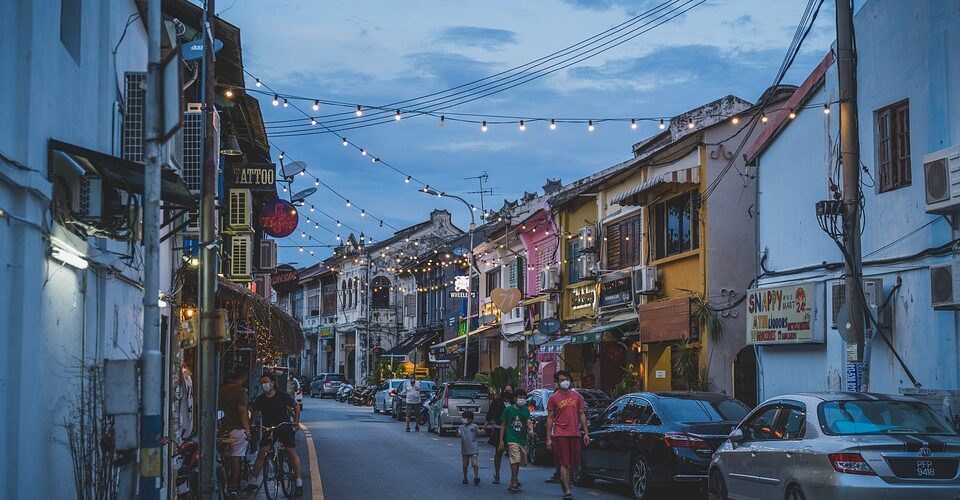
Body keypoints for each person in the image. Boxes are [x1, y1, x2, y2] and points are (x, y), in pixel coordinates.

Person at [245, 372, 304, 497]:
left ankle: (299, 483)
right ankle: (253, 481)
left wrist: (296, 423)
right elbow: (255, 412)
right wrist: (253, 424)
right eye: (262, 383)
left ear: (273, 383)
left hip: (284, 426)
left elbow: (296, 407)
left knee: (290, 452)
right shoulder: (260, 399)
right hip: (268, 428)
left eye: (266, 382)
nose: (264, 385)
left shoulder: (282, 396)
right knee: (262, 452)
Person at [546, 371, 590, 500]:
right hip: (560, 434)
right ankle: (567, 490)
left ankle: (565, 479)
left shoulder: (577, 396)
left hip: (575, 432)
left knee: (574, 463)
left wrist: (586, 432)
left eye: (566, 379)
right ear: (557, 382)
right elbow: (550, 418)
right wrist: (548, 438)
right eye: (561, 379)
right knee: (564, 463)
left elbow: (581, 414)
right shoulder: (553, 398)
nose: (564, 381)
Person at [219, 368, 251, 494]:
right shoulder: (241, 391)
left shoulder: (221, 389)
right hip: (237, 429)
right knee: (236, 458)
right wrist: (247, 429)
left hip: (222, 428)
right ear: (242, 378)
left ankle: (223, 481)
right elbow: (242, 411)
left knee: (223, 456)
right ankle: (233, 485)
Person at [499, 388, 533, 494]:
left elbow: (528, 422)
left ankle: (513, 480)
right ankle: (514, 483)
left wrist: (531, 430)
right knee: (516, 459)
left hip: (522, 439)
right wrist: (501, 440)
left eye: (524, 398)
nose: (522, 399)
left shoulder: (526, 410)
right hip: (511, 438)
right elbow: (503, 425)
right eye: (520, 397)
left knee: (519, 461)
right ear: (515, 398)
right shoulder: (509, 410)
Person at [485, 383, 513, 484]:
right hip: (498, 429)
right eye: (506, 390)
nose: (508, 392)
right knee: (498, 453)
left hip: (511, 431)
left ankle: (514, 477)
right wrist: (485, 426)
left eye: (510, 390)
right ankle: (497, 474)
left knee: (513, 454)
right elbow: (490, 414)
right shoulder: (497, 402)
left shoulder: (514, 403)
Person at [457, 410, 484, 485]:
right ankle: (465, 477)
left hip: (473, 448)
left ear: (471, 419)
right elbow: (458, 433)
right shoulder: (461, 427)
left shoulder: (474, 426)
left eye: (466, 418)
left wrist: (481, 432)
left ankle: (476, 477)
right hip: (465, 449)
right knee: (465, 464)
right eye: (463, 418)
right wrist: (457, 433)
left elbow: (478, 433)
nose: (464, 420)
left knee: (474, 463)